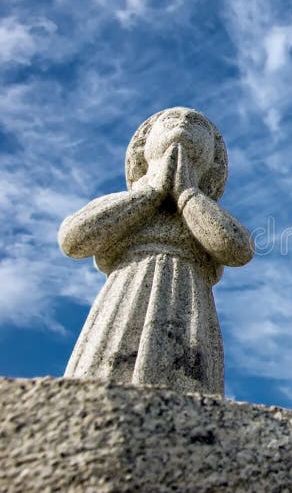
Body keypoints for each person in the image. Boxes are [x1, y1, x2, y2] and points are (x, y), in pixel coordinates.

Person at [59, 107, 253, 395]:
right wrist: (150, 193)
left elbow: (238, 248)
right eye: (172, 120)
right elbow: (74, 239)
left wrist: (187, 194)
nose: (184, 124)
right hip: (126, 289)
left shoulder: (201, 208)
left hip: (188, 294)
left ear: (214, 159)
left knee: (185, 392)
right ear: (143, 145)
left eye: (196, 123)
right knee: (101, 381)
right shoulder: (124, 201)